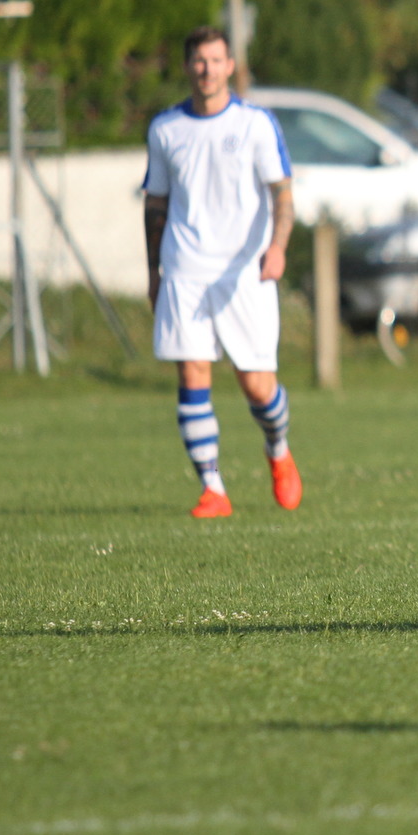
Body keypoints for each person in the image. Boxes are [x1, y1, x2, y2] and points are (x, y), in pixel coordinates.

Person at [143, 26, 301, 519]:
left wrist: (277, 248)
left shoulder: (255, 125)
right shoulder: (166, 129)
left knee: (256, 384)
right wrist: (153, 271)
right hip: (185, 269)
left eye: (216, 60)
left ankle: (277, 448)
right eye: (198, 61)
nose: (206, 70)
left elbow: (283, 194)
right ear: (187, 67)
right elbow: (155, 204)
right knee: (192, 373)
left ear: (231, 65)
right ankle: (213, 489)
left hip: (244, 273)